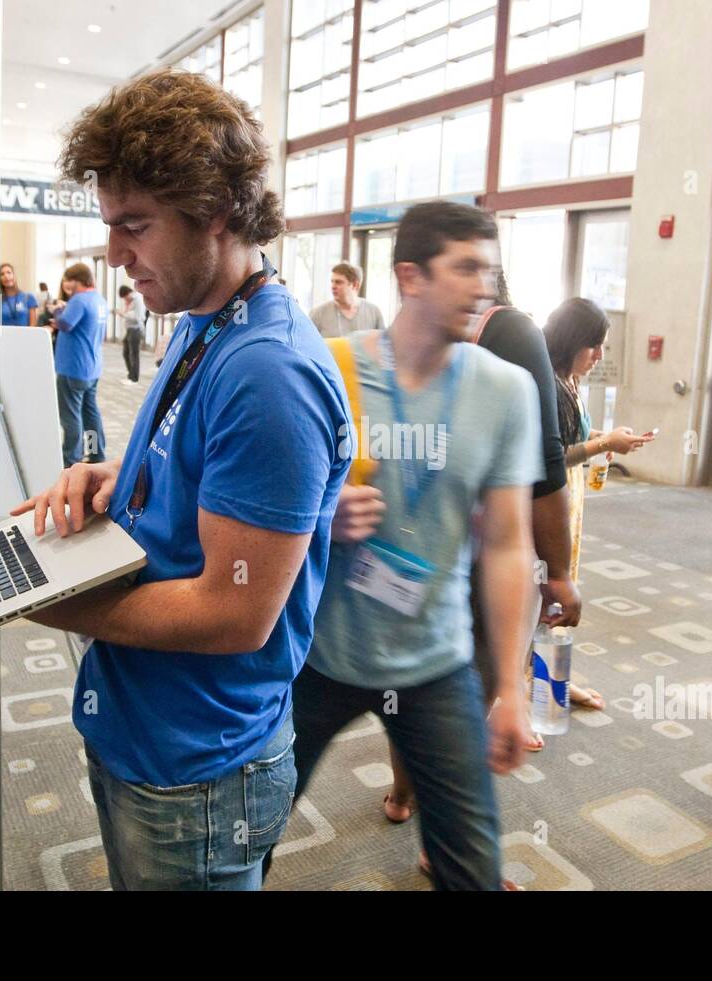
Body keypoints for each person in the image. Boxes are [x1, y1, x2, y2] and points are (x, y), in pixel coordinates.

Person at [11, 68, 350, 891]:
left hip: (198, 766)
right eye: (110, 226)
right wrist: (115, 476)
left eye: (136, 226)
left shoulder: (267, 371)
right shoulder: (205, 322)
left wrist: (41, 597)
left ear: (218, 211)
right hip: (147, 728)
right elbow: (188, 470)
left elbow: (236, 611)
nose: (116, 255)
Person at [269, 201, 540, 890]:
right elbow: (258, 496)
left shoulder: (506, 391)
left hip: (434, 662)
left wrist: (511, 686)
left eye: (492, 270)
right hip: (317, 652)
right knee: (245, 835)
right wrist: (319, 515)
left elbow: (509, 546)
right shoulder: (327, 368)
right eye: (468, 267)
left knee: (473, 867)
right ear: (411, 276)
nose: (486, 286)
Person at [380, 267, 578, 835]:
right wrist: (560, 573)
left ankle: (401, 794)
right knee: (470, 684)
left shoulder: (411, 330)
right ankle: (440, 836)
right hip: (477, 544)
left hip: (409, 535)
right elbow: (547, 461)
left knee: (416, 676)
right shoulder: (513, 330)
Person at [544, 297, 653, 709]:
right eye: (594, 345)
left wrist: (606, 439)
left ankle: (554, 681)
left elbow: (576, 441)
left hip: (571, 497)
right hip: (551, 494)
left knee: (562, 587)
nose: (599, 355)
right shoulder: (548, 384)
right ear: (572, 340)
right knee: (546, 593)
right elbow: (552, 456)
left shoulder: (569, 380)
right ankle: (523, 693)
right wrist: (604, 443)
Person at [52, 262, 108, 466]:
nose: (68, 285)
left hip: (73, 367)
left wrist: (58, 311)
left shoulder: (79, 300)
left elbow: (65, 324)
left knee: (71, 416)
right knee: (91, 414)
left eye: (70, 281)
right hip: (92, 368)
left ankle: (71, 459)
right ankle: (95, 453)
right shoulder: (100, 300)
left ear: (79, 281)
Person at [309, 262, 386, 338]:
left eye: (338, 282)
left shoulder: (374, 312)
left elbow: (384, 345)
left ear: (355, 285)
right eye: (332, 281)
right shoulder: (318, 314)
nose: (333, 286)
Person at [116, 284, 147, 385]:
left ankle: (134, 378)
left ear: (128, 293)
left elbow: (140, 317)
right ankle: (130, 375)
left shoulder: (137, 299)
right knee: (126, 353)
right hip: (130, 329)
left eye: (125, 297)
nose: (125, 299)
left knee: (134, 354)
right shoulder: (130, 301)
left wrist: (124, 314)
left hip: (136, 329)